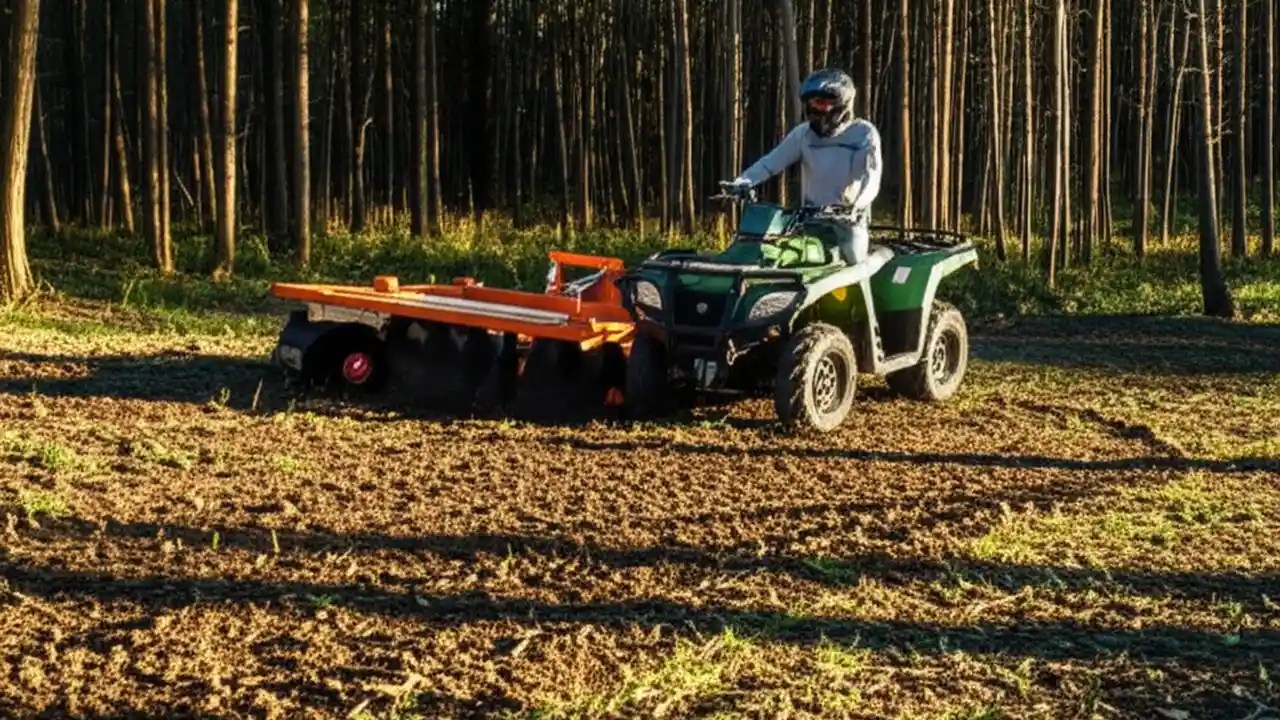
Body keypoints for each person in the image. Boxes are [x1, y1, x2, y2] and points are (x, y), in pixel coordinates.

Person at [725, 68, 883, 265]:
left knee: (853, 267)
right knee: (794, 263)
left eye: (821, 103)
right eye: (811, 104)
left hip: (848, 226)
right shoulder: (803, 134)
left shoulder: (863, 134)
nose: (814, 110)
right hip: (809, 222)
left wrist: (855, 207)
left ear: (841, 104)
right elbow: (771, 162)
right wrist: (743, 182)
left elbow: (871, 179)